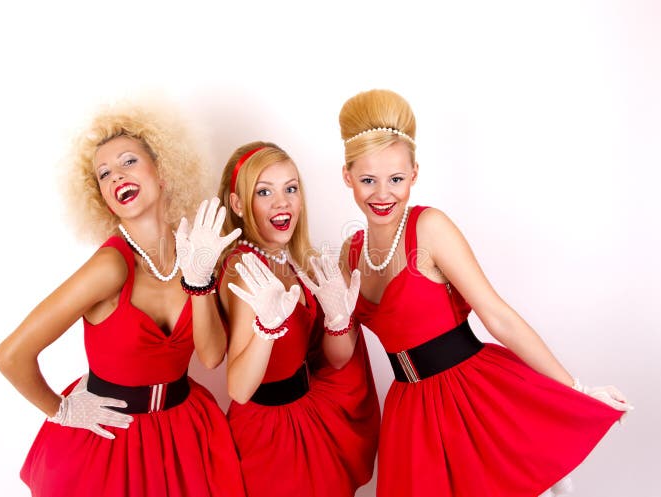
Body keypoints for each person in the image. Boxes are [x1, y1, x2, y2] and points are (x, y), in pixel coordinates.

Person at [337, 89, 633, 497]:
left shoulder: (430, 228)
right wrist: (332, 323)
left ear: (415, 174)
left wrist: (573, 390)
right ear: (347, 176)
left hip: (471, 399)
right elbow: (341, 356)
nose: (382, 194)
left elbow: (497, 315)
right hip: (410, 413)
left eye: (397, 179)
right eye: (368, 180)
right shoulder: (348, 254)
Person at [0, 102, 246, 497]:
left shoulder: (195, 253)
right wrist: (62, 410)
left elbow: (212, 357)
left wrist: (200, 283)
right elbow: (10, 355)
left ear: (162, 171)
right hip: (111, 441)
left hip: (183, 436)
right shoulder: (110, 268)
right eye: (105, 174)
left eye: (129, 161)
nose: (117, 177)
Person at [215, 142, 380, 497]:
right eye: (264, 192)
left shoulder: (289, 263)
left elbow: (335, 359)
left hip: (306, 419)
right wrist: (266, 329)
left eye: (291, 188)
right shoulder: (245, 269)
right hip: (269, 439)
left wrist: (337, 319)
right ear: (239, 205)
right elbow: (239, 389)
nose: (282, 202)